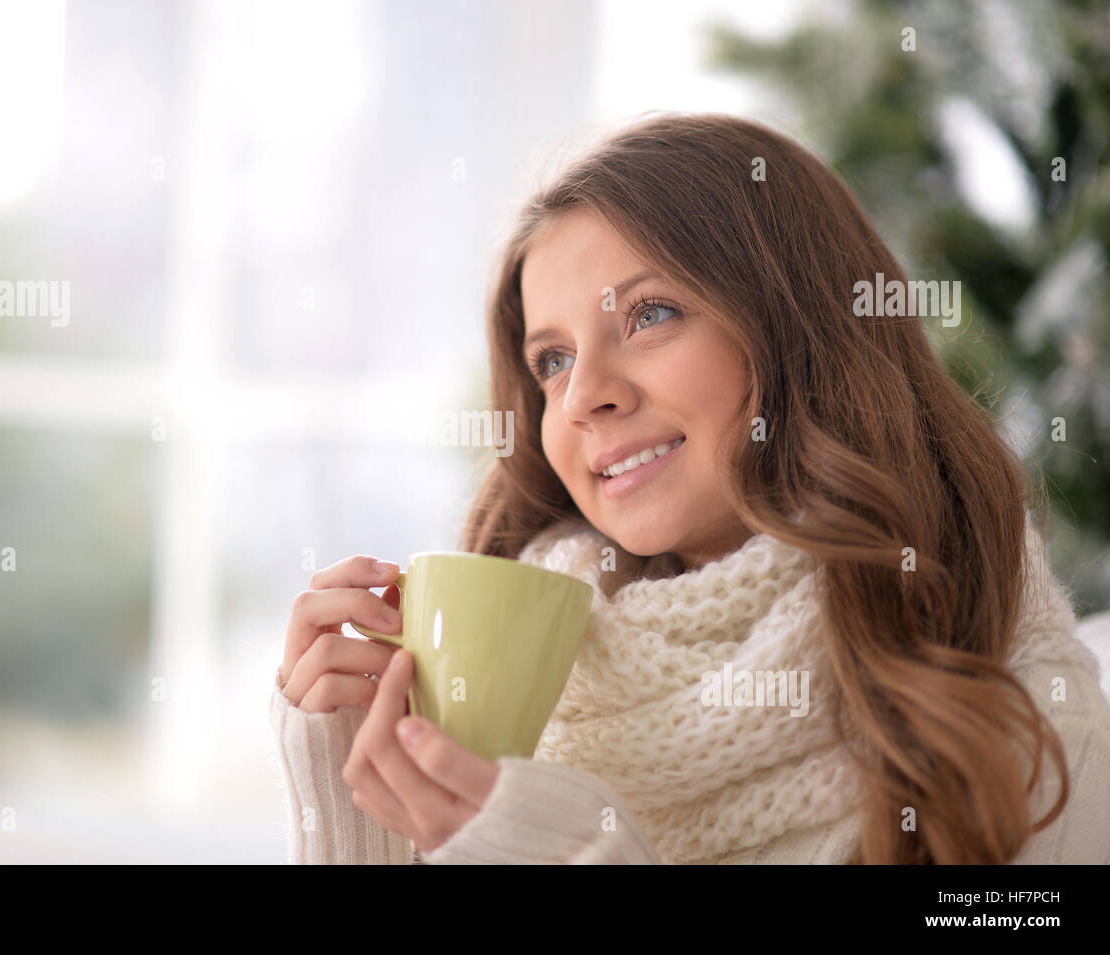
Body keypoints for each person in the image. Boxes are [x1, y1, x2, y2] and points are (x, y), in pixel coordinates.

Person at [270, 113, 1110, 864]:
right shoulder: (529, 674)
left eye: (648, 315)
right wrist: (358, 822)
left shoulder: (1030, 727)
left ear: (799, 329)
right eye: (551, 360)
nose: (583, 393)